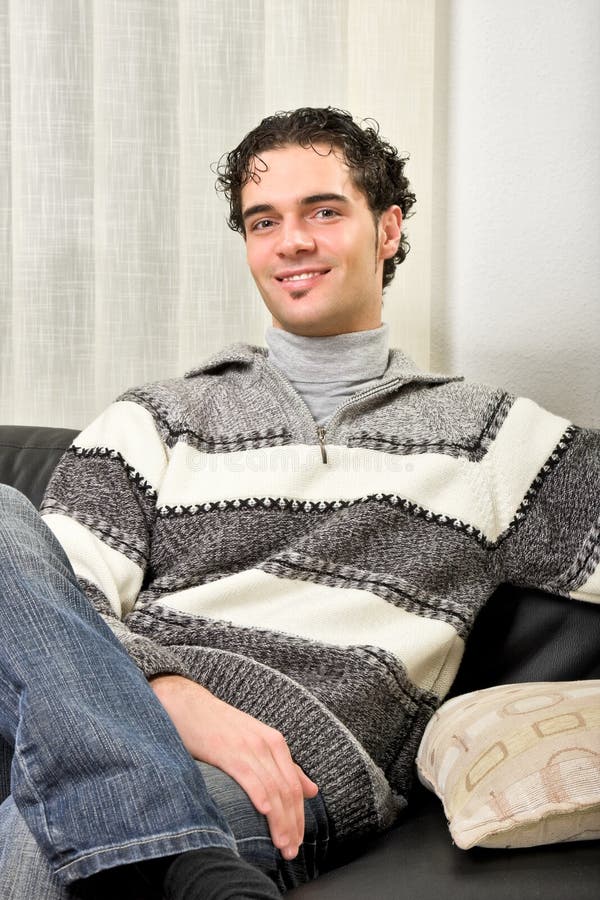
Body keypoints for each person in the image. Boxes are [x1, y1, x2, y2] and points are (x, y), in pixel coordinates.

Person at [0, 107, 598, 900]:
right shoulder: (159, 416)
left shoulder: (492, 439)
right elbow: (55, 601)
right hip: (121, 715)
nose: (292, 242)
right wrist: (173, 698)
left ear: (387, 230)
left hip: (297, 765)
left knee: (42, 841)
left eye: (323, 211)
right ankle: (185, 857)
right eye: (263, 221)